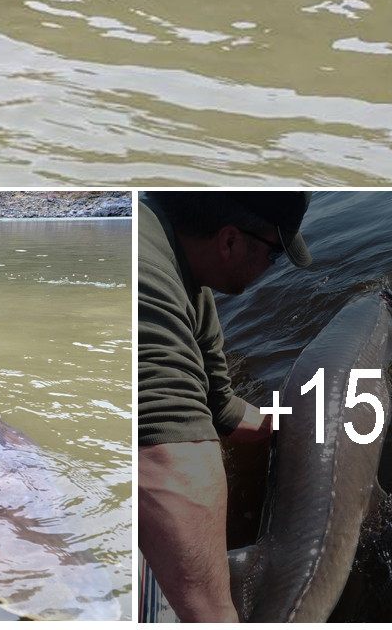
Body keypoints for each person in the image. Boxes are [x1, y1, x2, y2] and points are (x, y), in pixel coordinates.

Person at [138, 191, 313, 622]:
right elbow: (171, 452)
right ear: (230, 241)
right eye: (274, 256)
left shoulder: (192, 282)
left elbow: (220, 406)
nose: (272, 270)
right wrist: (215, 613)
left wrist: (295, 425)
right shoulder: (145, 275)